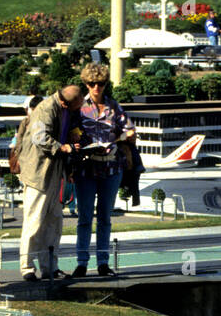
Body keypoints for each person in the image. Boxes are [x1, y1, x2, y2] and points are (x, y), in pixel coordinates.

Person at [72, 62, 134, 278]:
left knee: (105, 217)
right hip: (86, 168)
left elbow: (130, 130)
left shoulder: (114, 107)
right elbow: (70, 133)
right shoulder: (79, 108)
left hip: (111, 167)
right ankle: (81, 262)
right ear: (86, 84)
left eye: (100, 83)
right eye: (91, 84)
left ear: (106, 84)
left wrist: (121, 137)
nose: (96, 88)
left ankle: (102, 262)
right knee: (84, 217)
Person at [16, 84, 82, 282]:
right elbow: (39, 137)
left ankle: (50, 267)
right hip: (38, 174)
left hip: (55, 173)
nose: (77, 110)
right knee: (34, 221)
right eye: (76, 107)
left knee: (54, 222)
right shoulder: (45, 108)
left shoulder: (64, 110)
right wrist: (63, 147)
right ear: (65, 102)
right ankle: (26, 267)